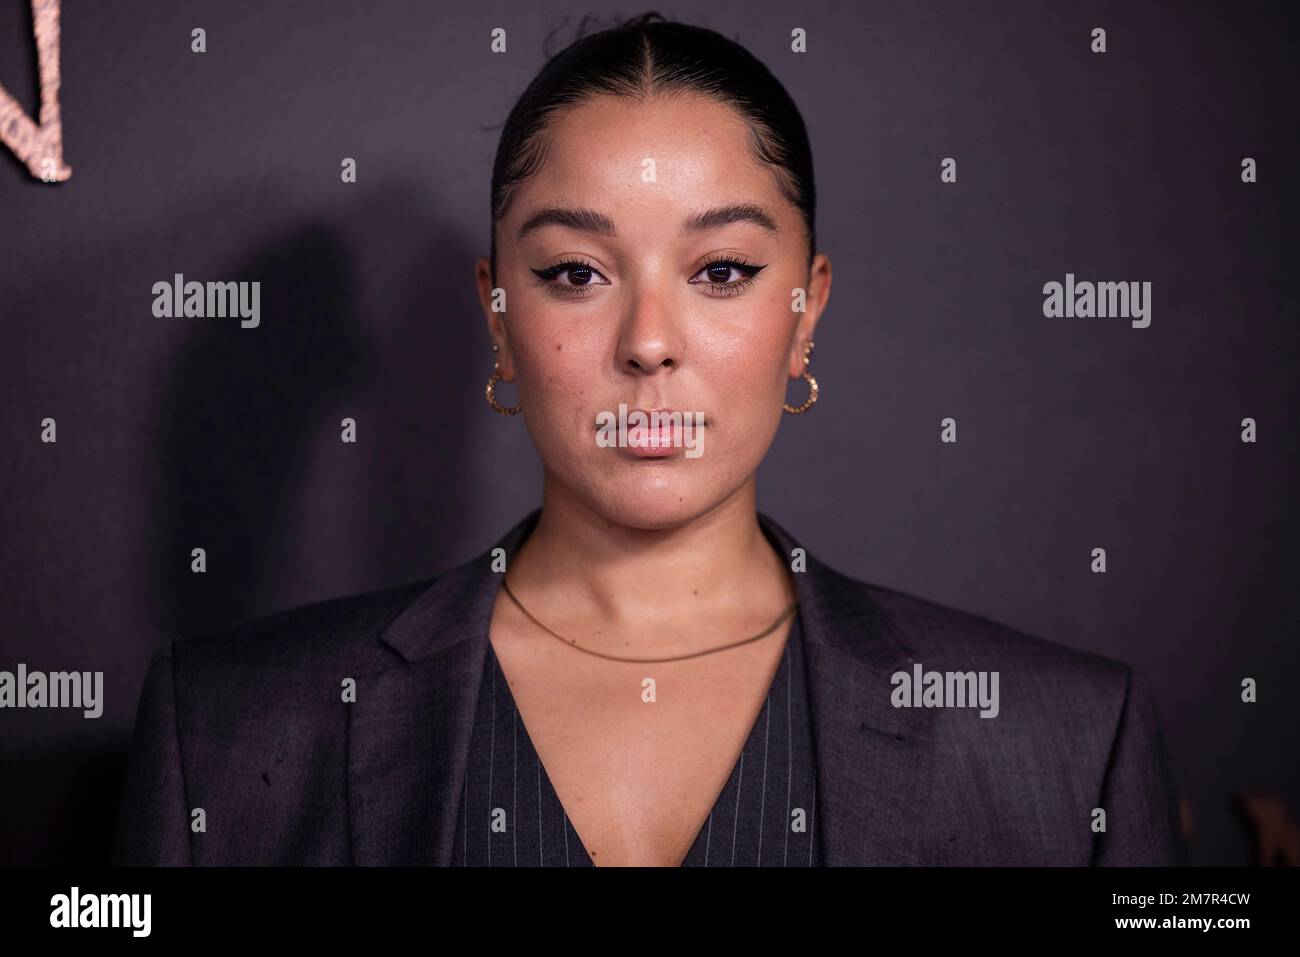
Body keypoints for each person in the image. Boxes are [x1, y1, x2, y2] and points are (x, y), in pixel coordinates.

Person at [111, 12, 1187, 867]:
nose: (649, 343)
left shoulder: (1060, 743)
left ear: (806, 312)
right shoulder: (231, 729)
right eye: (575, 273)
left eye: (721, 271)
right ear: (497, 313)